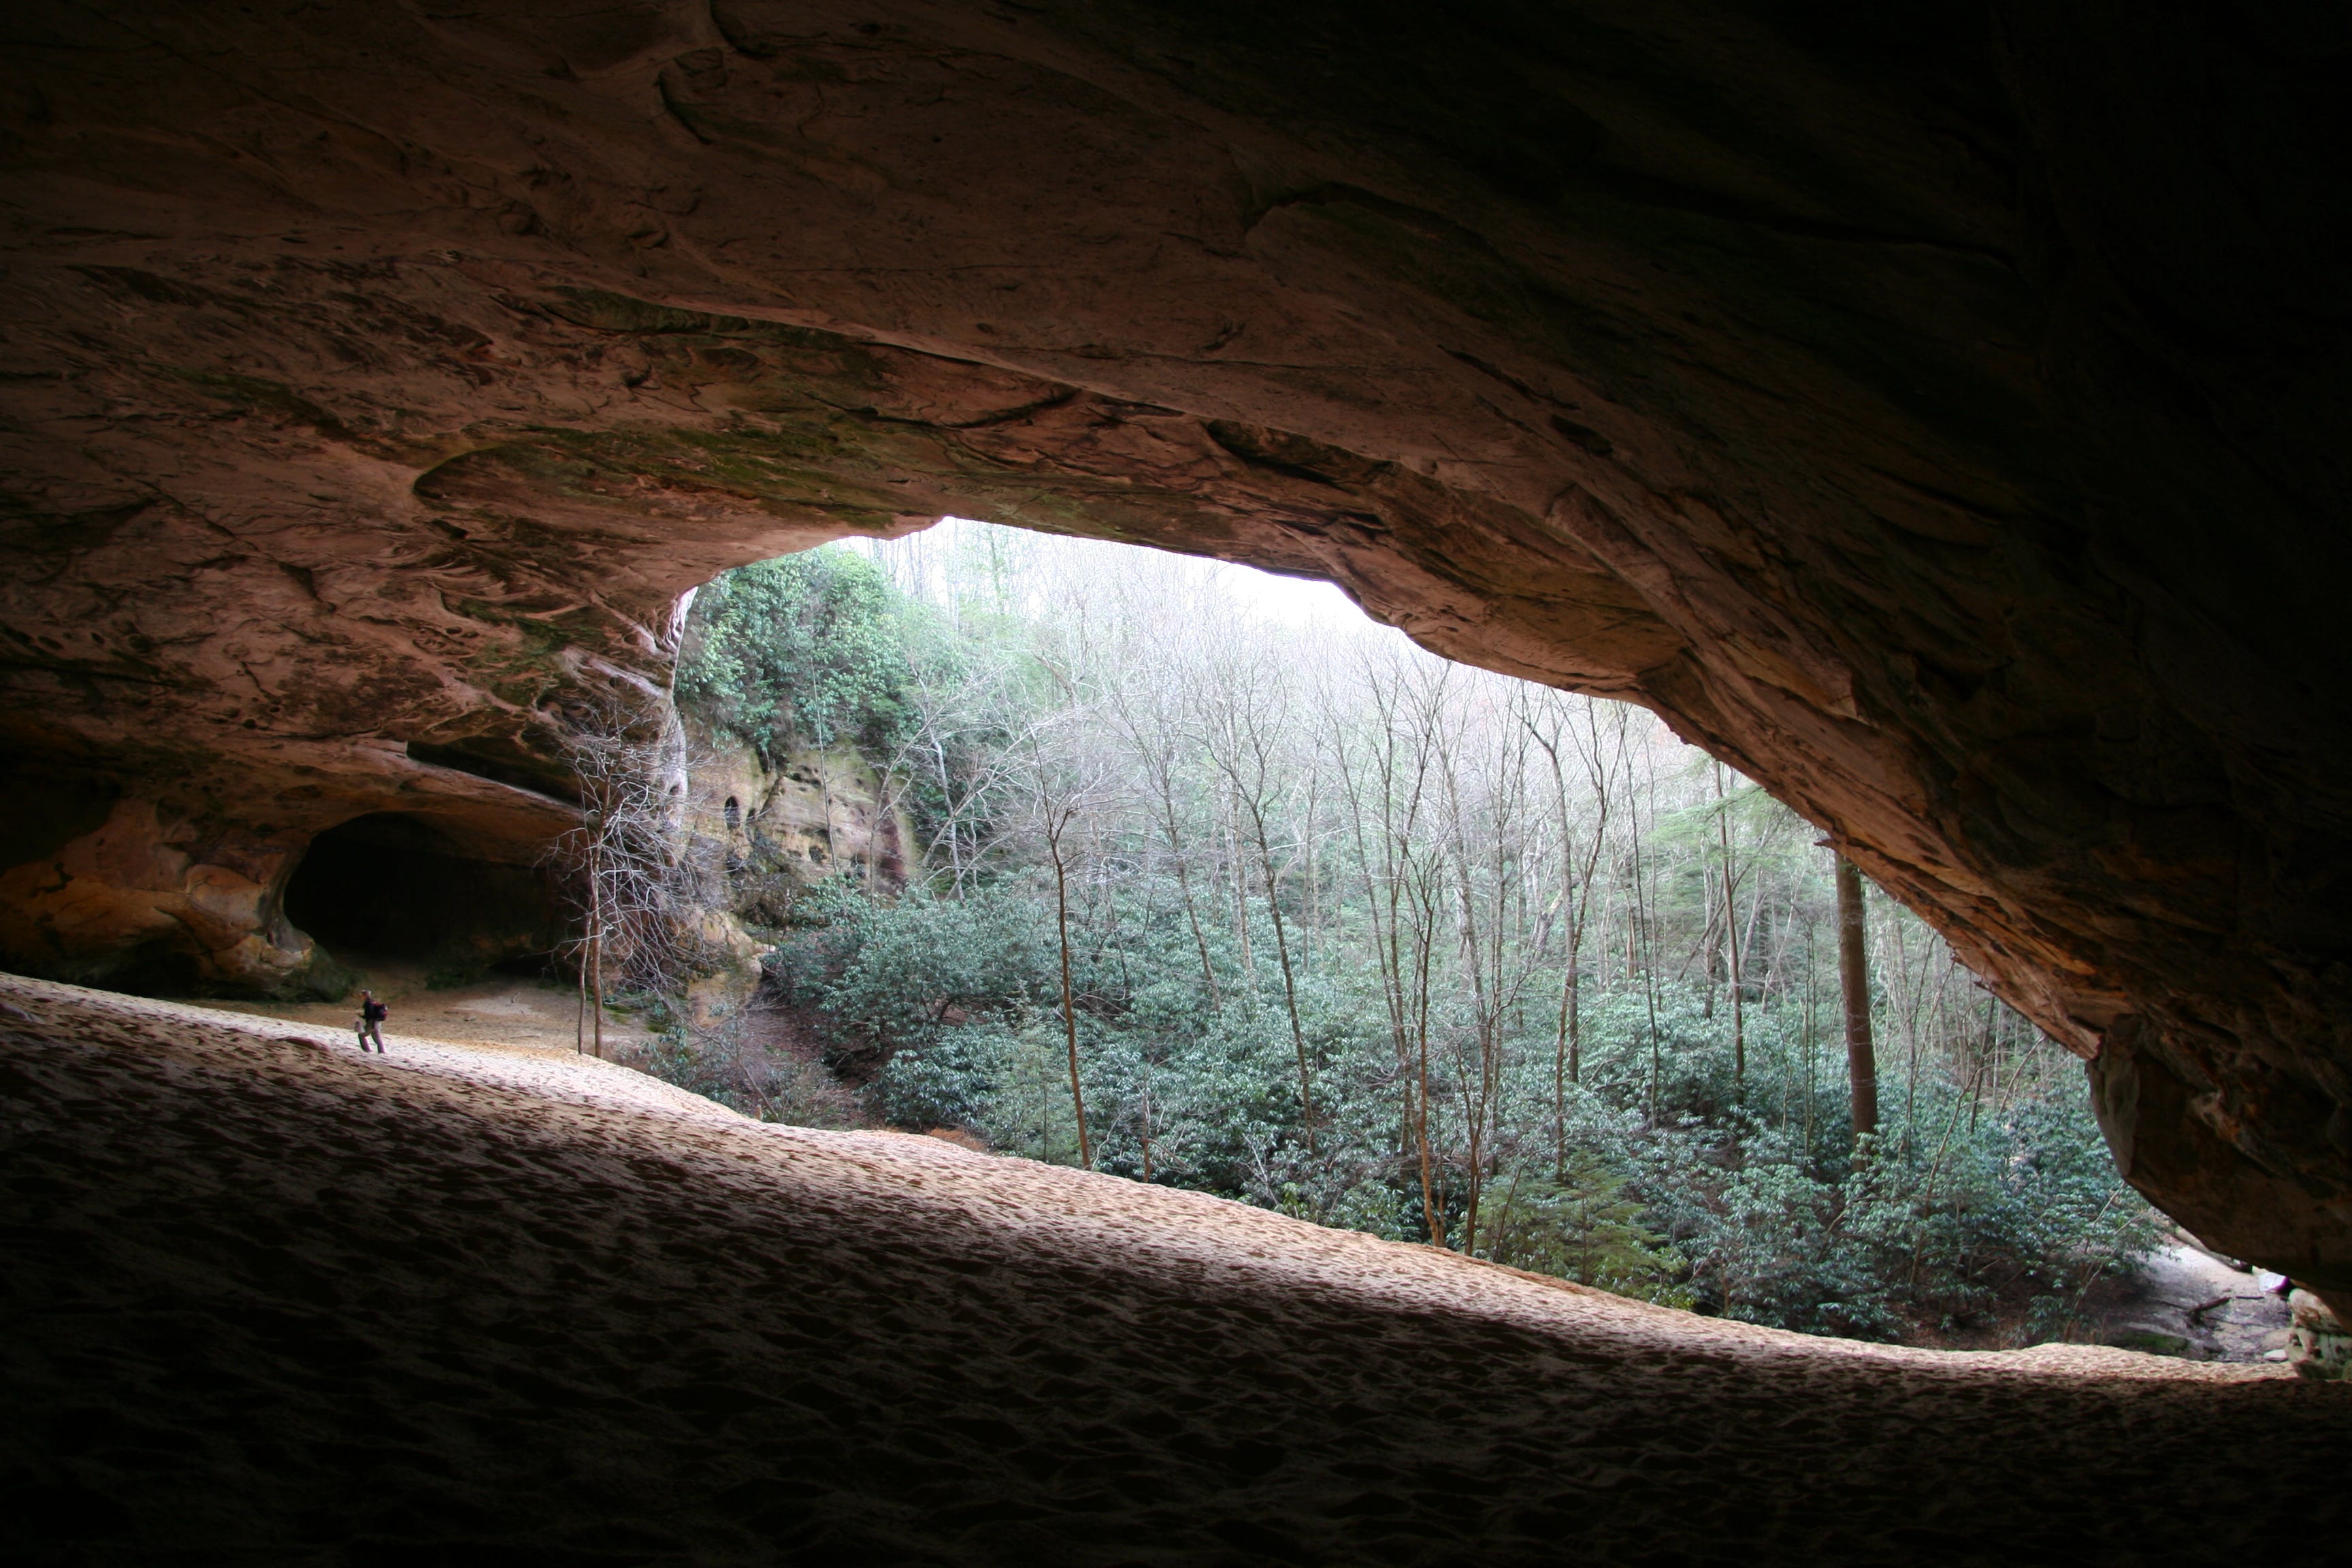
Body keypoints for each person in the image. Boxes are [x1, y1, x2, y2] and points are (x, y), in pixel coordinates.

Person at [355, 990, 388, 1054]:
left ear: (365, 995)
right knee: (377, 1038)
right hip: (378, 1022)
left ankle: (367, 1050)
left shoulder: (368, 1003)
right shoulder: (373, 1002)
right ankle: (382, 1052)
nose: (361, 997)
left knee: (361, 1035)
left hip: (372, 1022)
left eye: (362, 995)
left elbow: (370, 1015)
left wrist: (361, 1016)